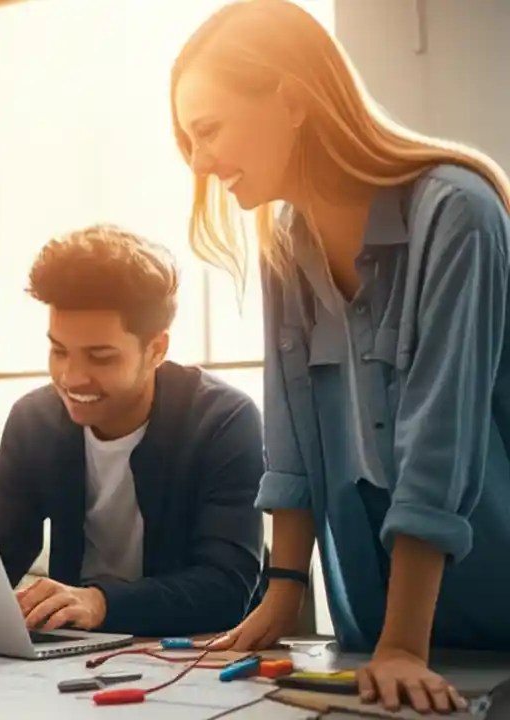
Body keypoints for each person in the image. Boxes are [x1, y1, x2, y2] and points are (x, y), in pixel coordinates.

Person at [172, 0, 510, 713]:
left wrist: (406, 645)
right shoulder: (283, 244)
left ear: (291, 100)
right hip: (370, 623)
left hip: (484, 608)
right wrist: (284, 592)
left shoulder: (458, 212)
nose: (199, 162)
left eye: (207, 130)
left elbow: (437, 443)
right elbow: (289, 438)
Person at [0, 225, 264, 638]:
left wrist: (99, 601)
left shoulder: (224, 421)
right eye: (59, 351)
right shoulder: (34, 420)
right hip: (72, 652)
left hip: (198, 653)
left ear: (156, 349)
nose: (71, 378)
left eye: (100, 357)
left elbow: (226, 588)